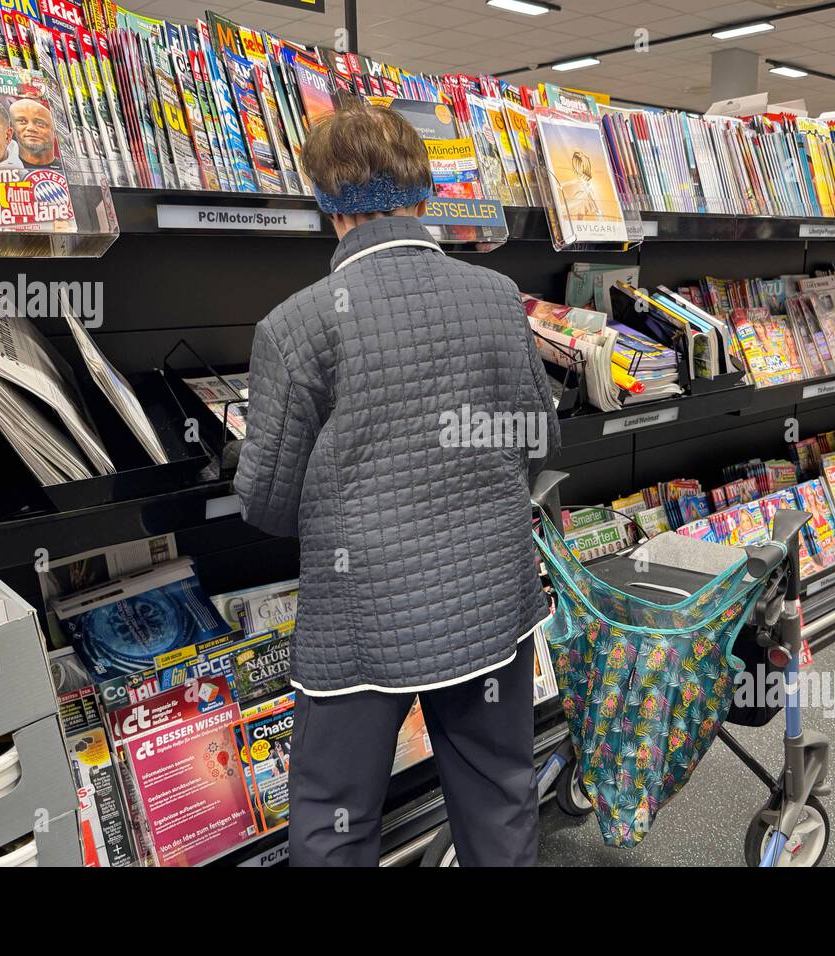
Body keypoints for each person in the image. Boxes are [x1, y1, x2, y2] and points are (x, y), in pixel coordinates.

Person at [235, 105, 559, 867]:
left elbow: (268, 502)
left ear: (326, 206)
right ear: (425, 192)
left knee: (335, 817)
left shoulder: (296, 325)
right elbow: (536, 438)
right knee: (500, 790)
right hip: (491, 598)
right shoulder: (494, 295)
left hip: (360, 620)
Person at [10, 99, 62, 171]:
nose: (31, 128)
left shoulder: (69, 170)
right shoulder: (5, 169)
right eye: (22, 121)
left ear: (55, 132)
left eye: (40, 123)